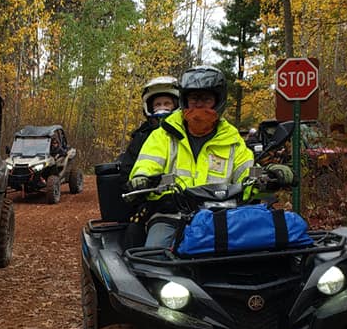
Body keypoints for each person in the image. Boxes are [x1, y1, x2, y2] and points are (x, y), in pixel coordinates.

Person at [128, 66, 291, 249]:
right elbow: (148, 163)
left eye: (206, 99)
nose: (199, 105)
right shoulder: (163, 135)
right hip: (171, 216)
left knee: (260, 256)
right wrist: (142, 179)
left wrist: (269, 177)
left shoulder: (232, 139)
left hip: (224, 217)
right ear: (185, 101)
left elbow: (247, 174)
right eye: (194, 99)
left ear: (218, 101)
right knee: (153, 261)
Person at [117, 76, 181, 182]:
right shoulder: (141, 135)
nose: (162, 107)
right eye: (157, 104)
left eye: (167, 103)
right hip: (150, 195)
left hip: (186, 194)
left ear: (176, 105)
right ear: (150, 108)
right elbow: (126, 170)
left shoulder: (187, 132)